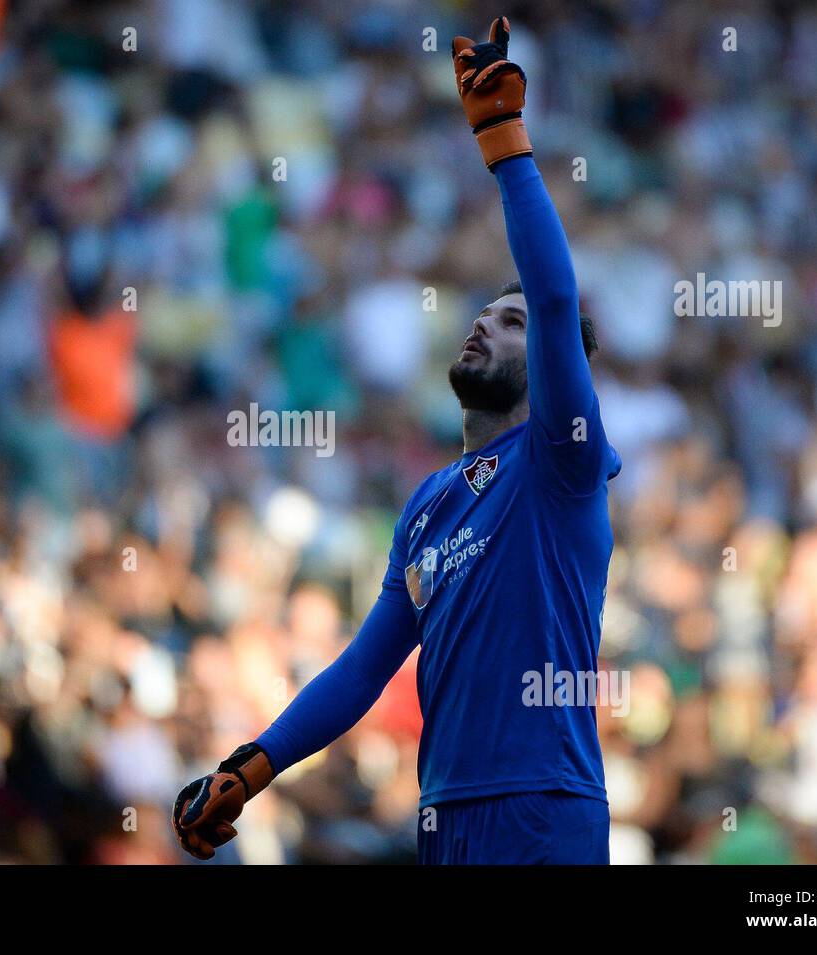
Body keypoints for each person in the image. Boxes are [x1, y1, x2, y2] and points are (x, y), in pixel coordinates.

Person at [171, 16, 621, 864]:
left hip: (542, 808)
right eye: (483, 315)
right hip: (442, 815)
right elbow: (362, 670)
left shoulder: (562, 461)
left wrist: (504, 142)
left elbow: (558, 301)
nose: (485, 327)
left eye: (510, 322)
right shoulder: (428, 507)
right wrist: (253, 765)